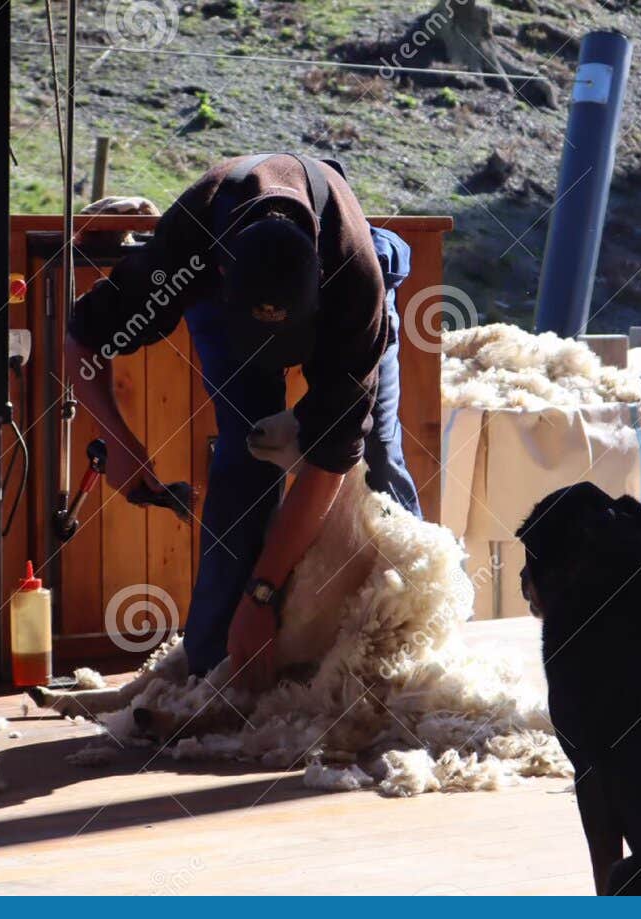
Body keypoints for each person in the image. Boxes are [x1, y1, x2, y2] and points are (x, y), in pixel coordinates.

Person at [66, 153, 420, 687]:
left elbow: (329, 458)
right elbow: (82, 340)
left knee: (376, 461)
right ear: (222, 273)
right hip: (217, 273)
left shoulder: (354, 281)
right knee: (244, 454)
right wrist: (117, 441)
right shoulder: (183, 250)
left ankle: (402, 649)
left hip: (344, 283)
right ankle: (212, 668)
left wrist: (262, 593)